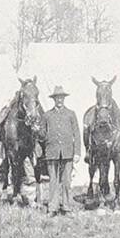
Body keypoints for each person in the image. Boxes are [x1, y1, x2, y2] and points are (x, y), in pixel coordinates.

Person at [39, 85, 81, 215]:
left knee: (67, 181)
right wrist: (37, 131)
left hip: (68, 153)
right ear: (54, 99)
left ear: (64, 98)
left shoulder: (71, 114)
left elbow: (77, 134)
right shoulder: (47, 115)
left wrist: (77, 153)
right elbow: (42, 135)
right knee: (53, 181)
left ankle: (66, 207)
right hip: (52, 153)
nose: (59, 100)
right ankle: (53, 208)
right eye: (57, 98)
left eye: (61, 97)